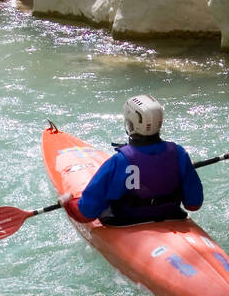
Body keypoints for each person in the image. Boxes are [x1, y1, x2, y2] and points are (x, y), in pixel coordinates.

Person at [61, 95, 204, 226]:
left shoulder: (120, 161)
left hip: (126, 221)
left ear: (131, 125)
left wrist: (69, 203)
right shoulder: (179, 154)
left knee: (106, 204)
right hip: (172, 216)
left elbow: (86, 213)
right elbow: (194, 204)